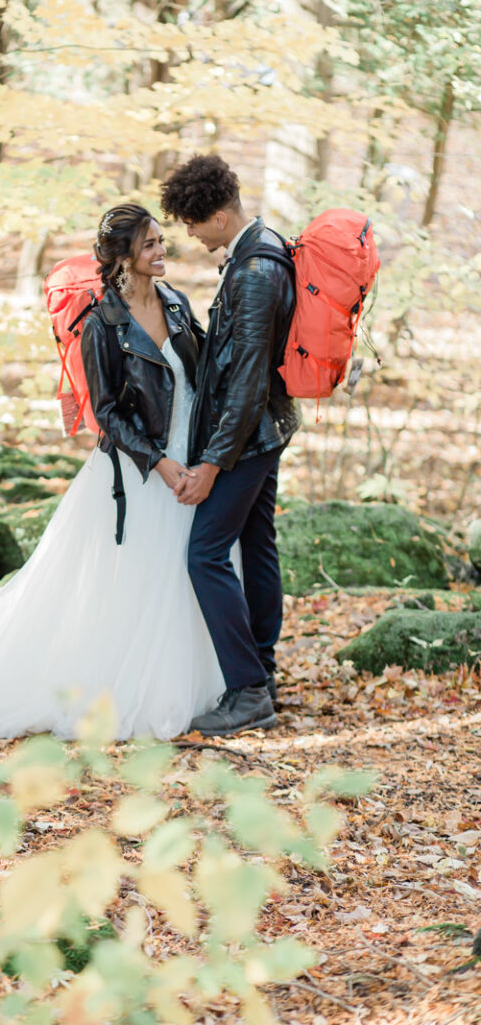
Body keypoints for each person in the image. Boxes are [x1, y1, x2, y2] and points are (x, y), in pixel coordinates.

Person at [0, 203, 224, 740]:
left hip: (192, 463)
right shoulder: (101, 324)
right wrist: (160, 464)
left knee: (185, 572)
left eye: (162, 241)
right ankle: (120, 687)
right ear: (122, 258)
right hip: (137, 476)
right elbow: (111, 415)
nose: (162, 251)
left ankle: (192, 687)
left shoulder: (179, 306)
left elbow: (205, 376)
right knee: (132, 580)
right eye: (150, 245)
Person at [160, 154, 301, 736]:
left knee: (205, 555)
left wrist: (214, 462)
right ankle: (261, 673)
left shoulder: (253, 271)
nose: (189, 234)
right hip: (266, 428)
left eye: (193, 223)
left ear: (219, 214)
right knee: (256, 543)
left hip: (249, 435)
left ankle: (246, 689)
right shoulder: (259, 248)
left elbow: (244, 379)